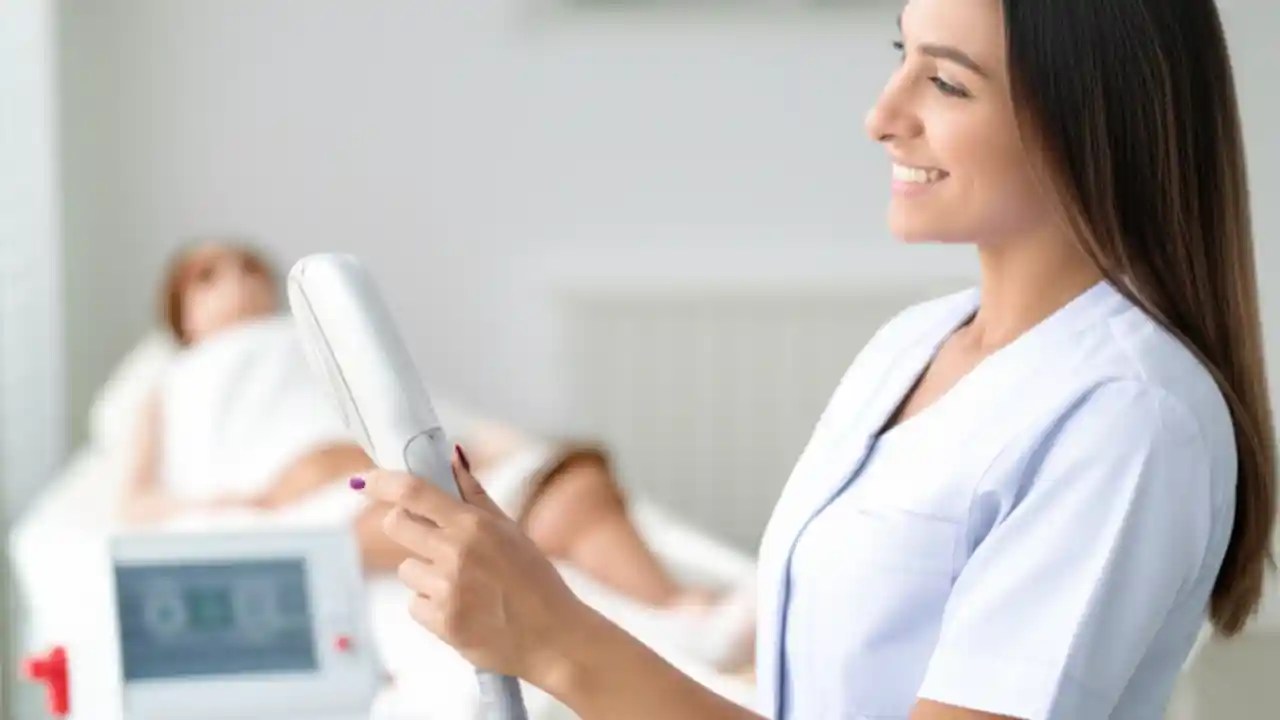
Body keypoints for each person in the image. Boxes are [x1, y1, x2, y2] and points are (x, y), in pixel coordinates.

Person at [353, 0, 1277, 718]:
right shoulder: (913, 345)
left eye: (947, 84)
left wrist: (556, 639)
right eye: (899, 57)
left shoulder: (1126, 417)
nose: (882, 116)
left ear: (1095, 120)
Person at [119, 241, 756, 668]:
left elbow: (406, 410)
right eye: (207, 277)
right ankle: (687, 640)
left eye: (248, 267)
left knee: (576, 480)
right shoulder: (173, 380)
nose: (236, 280)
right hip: (320, 512)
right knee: (465, 532)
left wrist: (495, 451)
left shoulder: (314, 343)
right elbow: (135, 501)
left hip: (386, 475)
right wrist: (230, 504)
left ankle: (676, 609)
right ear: (182, 318)